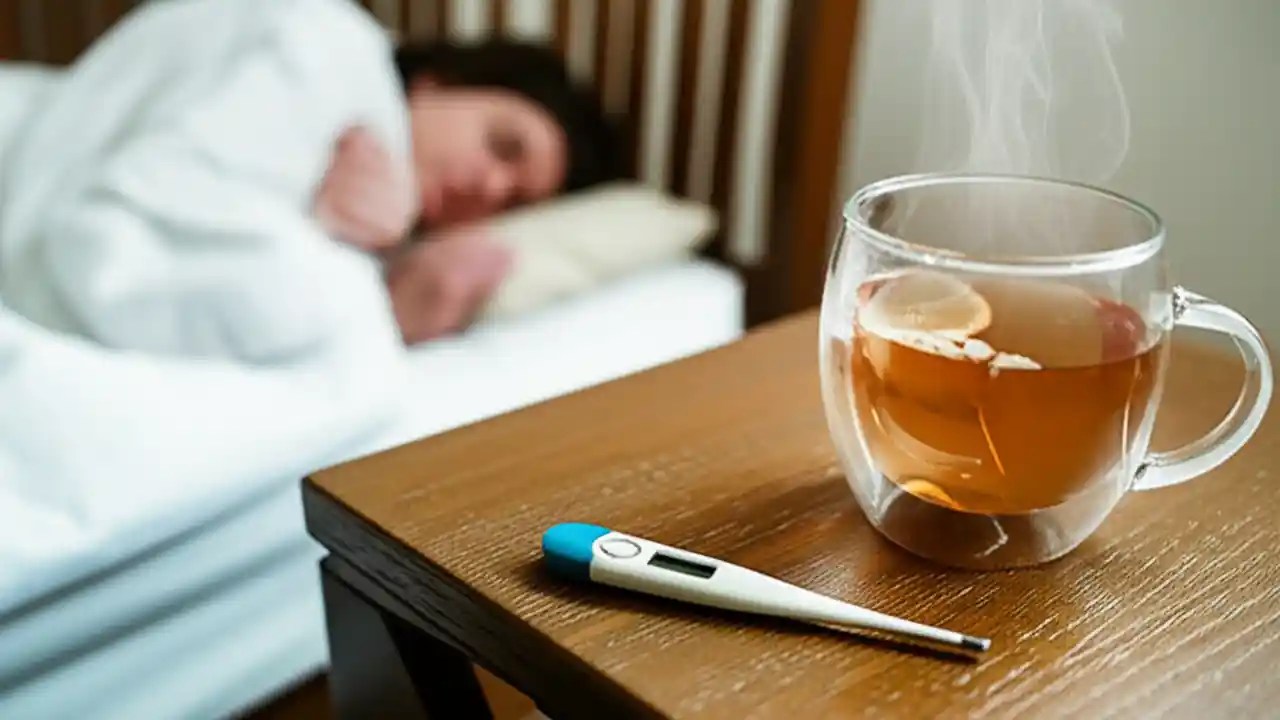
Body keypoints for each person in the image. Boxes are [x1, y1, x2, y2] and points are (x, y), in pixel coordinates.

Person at [313, 40, 619, 344]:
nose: (491, 187)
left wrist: (391, 320)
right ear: (437, 83)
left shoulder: (384, 275)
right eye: (501, 145)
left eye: (511, 204)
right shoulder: (329, 59)